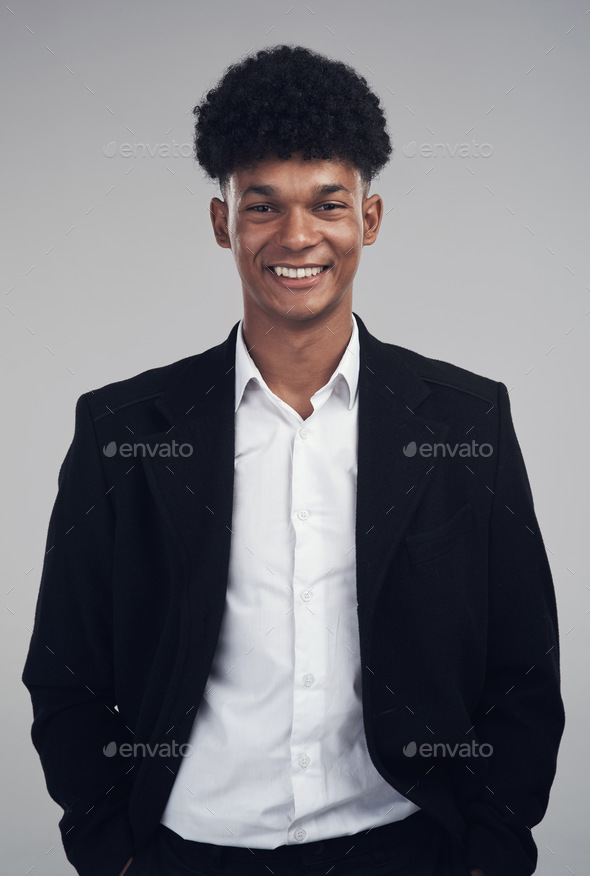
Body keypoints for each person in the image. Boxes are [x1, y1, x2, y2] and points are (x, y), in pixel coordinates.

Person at [23, 44, 564, 876]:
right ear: (222, 223)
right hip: (187, 854)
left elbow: (523, 668)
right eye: (263, 206)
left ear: (370, 221)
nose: (298, 237)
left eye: (328, 204)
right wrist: (113, 854)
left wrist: (490, 852)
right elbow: (66, 670)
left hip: (409, 848)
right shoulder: (121, 429)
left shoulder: (466, 419)